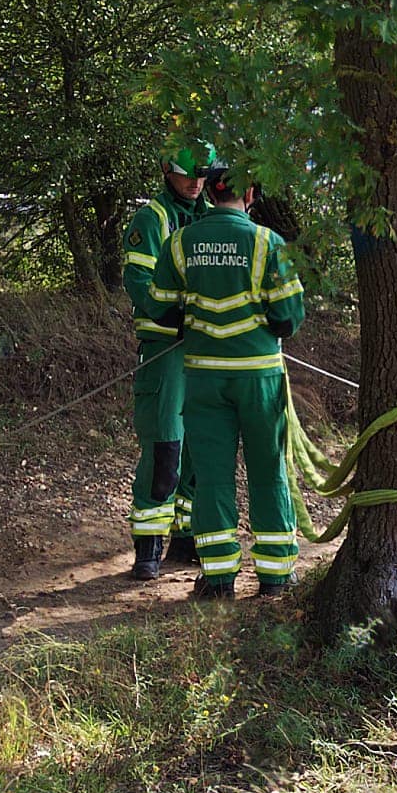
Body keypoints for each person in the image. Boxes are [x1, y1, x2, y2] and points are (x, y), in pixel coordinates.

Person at [149, 158, 307, 599]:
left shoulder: (180, 242)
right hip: (258, 379)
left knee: (212, 477)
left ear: (209, 192)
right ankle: (275, 576)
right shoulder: (268, 243)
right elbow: (288, 317)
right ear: (250, 194)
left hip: (203, 378)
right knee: (268, 471)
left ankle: (218, 579)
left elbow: (160, 307)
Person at [121, 143, 212, 580]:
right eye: (186, 174)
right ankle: (149, 546)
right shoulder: (152, 218)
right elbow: (139, 281)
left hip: (208, 349)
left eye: (202, 175)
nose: (195, 183)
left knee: (201, 445)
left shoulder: (214, 217)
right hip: (165, 348)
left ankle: (187, 537)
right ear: (166, 171)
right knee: (165, 446)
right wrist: (179, 316)